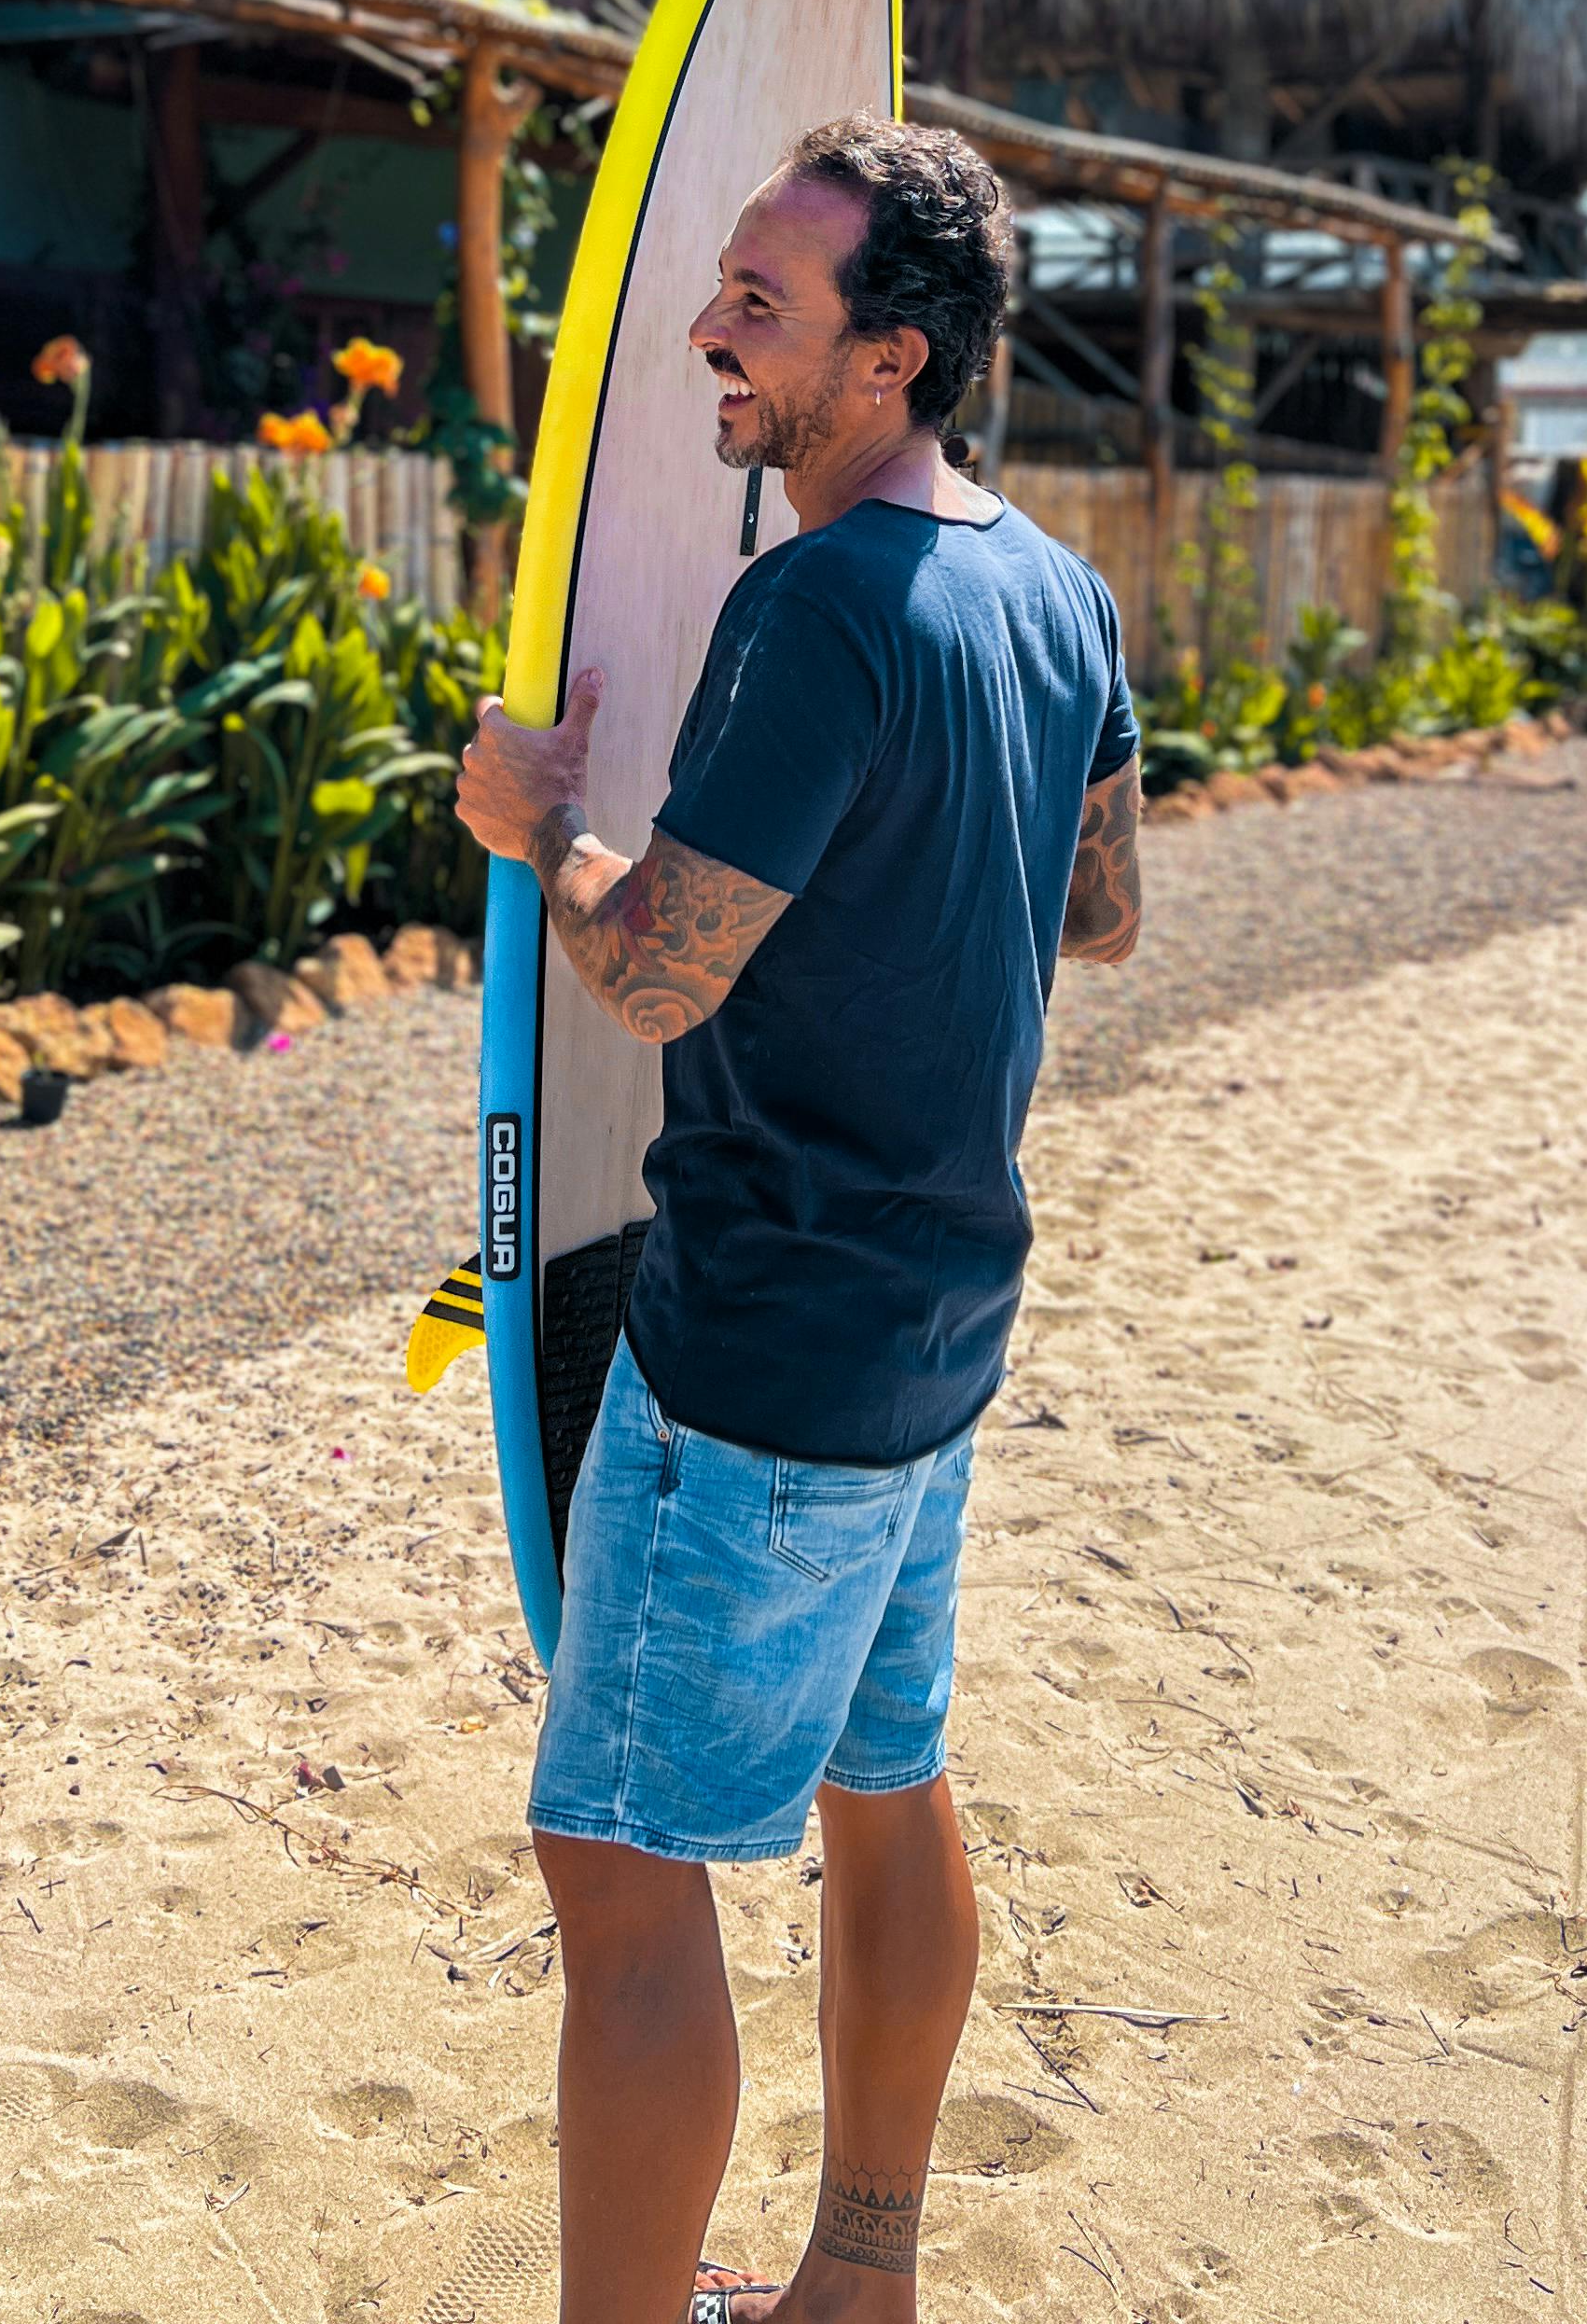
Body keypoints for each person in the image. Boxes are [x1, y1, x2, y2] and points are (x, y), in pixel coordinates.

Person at [455, 112, 1144, 2324]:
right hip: (942, 1330)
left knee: (626, 1865)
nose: (710, 334)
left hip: (760, 1346)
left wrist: (525, 831)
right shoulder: (1057, 594)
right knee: (886, 1780)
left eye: (764, 305)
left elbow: (657, 964)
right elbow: (1105, 914)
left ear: (891, 361)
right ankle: (862, 2279)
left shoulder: (821, 599)